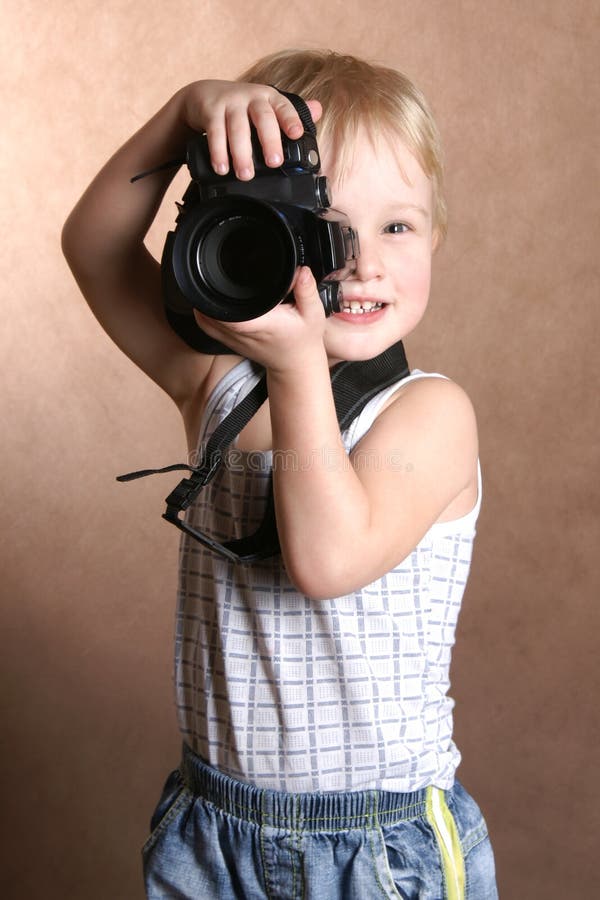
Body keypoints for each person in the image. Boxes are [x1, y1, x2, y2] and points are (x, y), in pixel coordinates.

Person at [62, 48, 498, 900]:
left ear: (436, 233)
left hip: (376, 844)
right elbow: (93, 244)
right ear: (254, 231)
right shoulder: (217, 385)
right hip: (211, 825)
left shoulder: (431, 413)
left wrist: (299, 369)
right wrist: (184, 111)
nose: (364, 262)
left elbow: (328, 561)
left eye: (398, 226)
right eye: (328, 227)